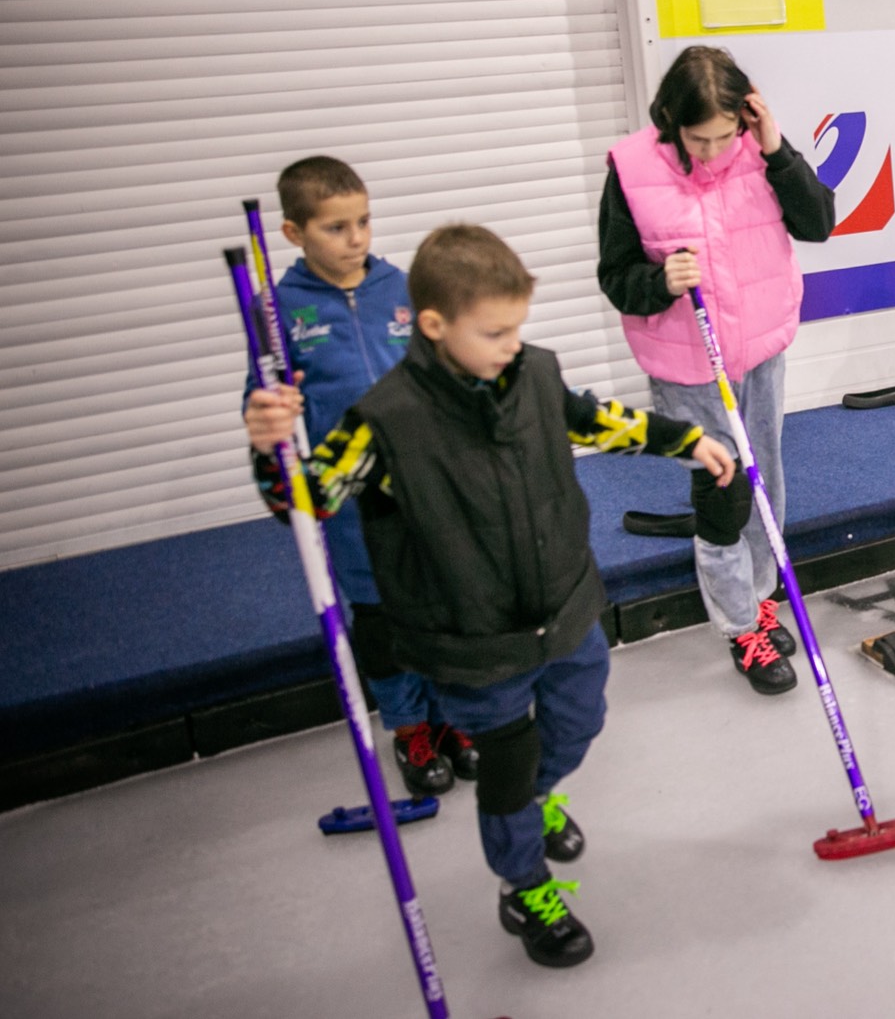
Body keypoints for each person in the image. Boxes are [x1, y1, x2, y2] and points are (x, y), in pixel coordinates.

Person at [246, 224, 735, 968]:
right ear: (435, 326)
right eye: (495, 330)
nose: (513, 342)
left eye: (518, 325)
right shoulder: (384, 419)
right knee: (507, 767)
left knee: (580, 721)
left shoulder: (535, 371)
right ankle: (522, 882)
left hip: (565, 606)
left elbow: (593, 419)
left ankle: (535, 800)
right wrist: (267, 450)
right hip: (471, 638)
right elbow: (307, 496)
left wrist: (683, 439)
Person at [597, 46, 835, 696]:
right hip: (687, 364)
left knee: (766, 479)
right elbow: (616, 277)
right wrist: (659, 280)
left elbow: (819, 222)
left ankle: (761, 595)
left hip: (760, 350)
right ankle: (739, 626)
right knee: (724, 490)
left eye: (723, 136)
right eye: (696, 138)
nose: (709, 151)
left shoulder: (761, 148)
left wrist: (777, 146)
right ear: (671, 119)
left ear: (745, 113)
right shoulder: (631, 167)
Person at [240, 156, 473, 798]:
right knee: (383, 621)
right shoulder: (278, 311)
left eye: (364, 221)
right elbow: (259, 404)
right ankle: (410, 728)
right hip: (352, 504)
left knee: (447, 606)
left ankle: (454, 718)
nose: (357, 239)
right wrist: (267, 416)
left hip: (429, 488)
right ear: (294, 233)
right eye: (336, 228)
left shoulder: (402, 287)